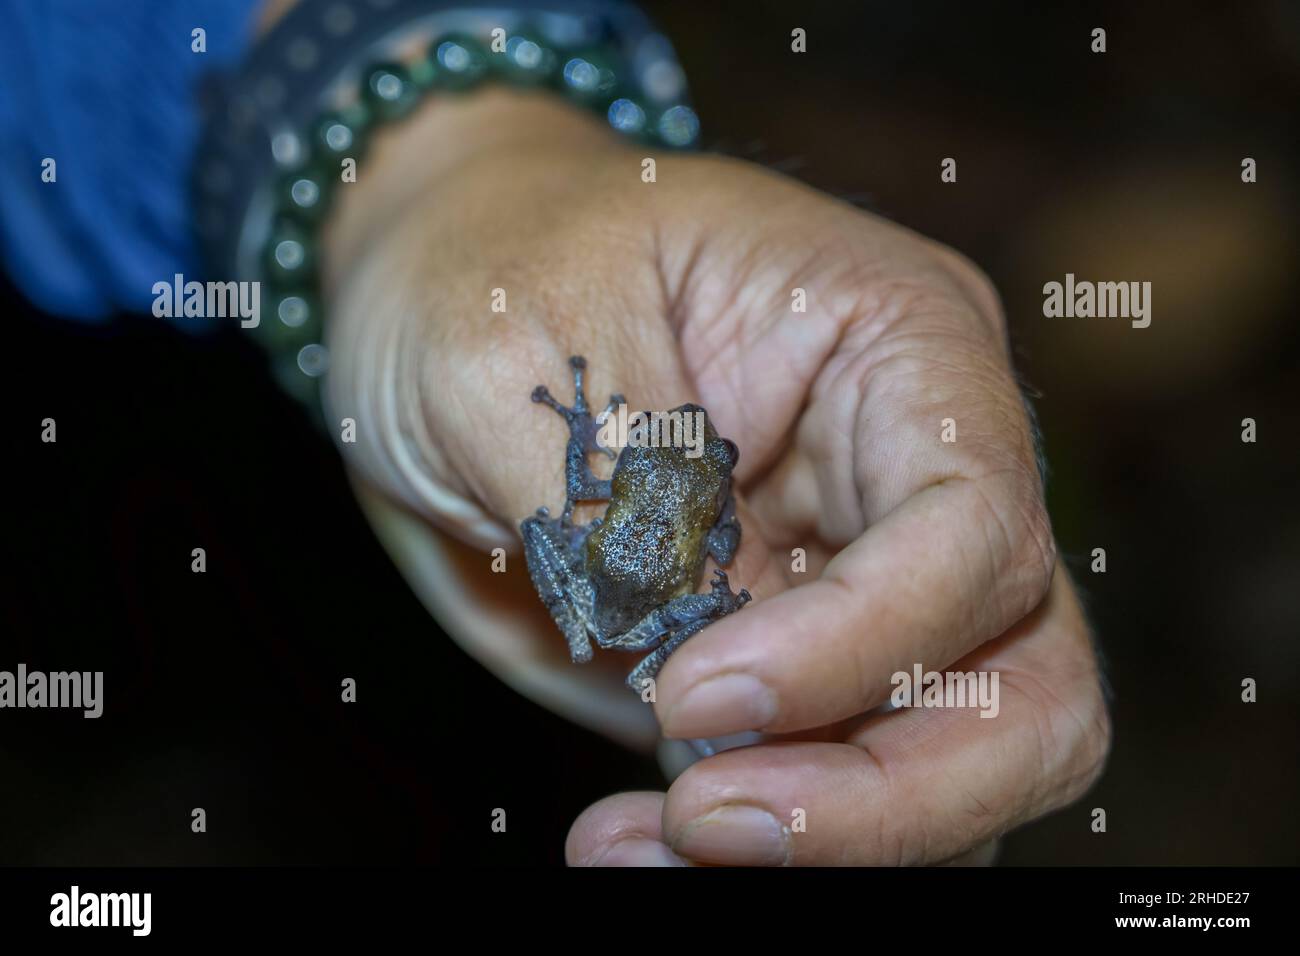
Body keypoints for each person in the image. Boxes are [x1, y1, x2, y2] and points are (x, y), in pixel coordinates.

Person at [0, 0, 1110, 866]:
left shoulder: (679, 509)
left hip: (612, 579)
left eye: (704, 450)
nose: (706, 445)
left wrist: (451, 183)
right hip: (627, 589)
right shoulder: (701, 527)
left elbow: (611, 490)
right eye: (701, 449)